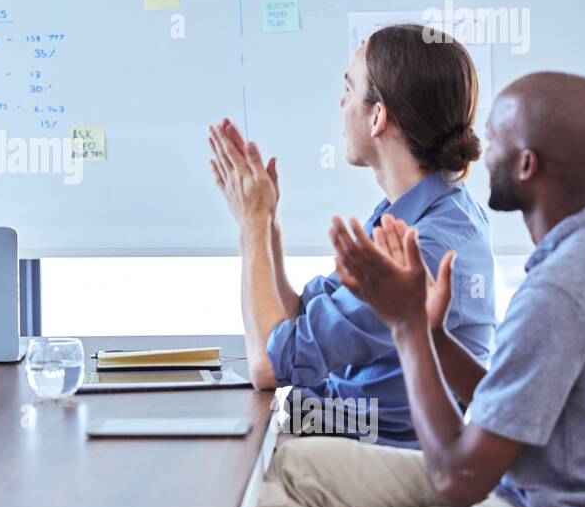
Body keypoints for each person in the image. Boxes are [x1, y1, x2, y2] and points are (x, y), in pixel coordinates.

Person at [242, 72, 585, 507]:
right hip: (538, 496)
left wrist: (406, 328)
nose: (477, 152)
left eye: (493, 139)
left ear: (526, 164)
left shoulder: (560, 290)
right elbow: (512, 400)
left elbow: (458, 478)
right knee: (299, 473)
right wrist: (432, 335)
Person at [208, 23, 495, 446]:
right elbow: (298, 321)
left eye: (349, 89)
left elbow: (267, 366)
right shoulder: (420, 213)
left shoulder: (425, 243)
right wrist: (266, 222)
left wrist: (252, 226)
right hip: (336, 436)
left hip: (374, 453)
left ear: (378, 116)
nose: (341, 104)